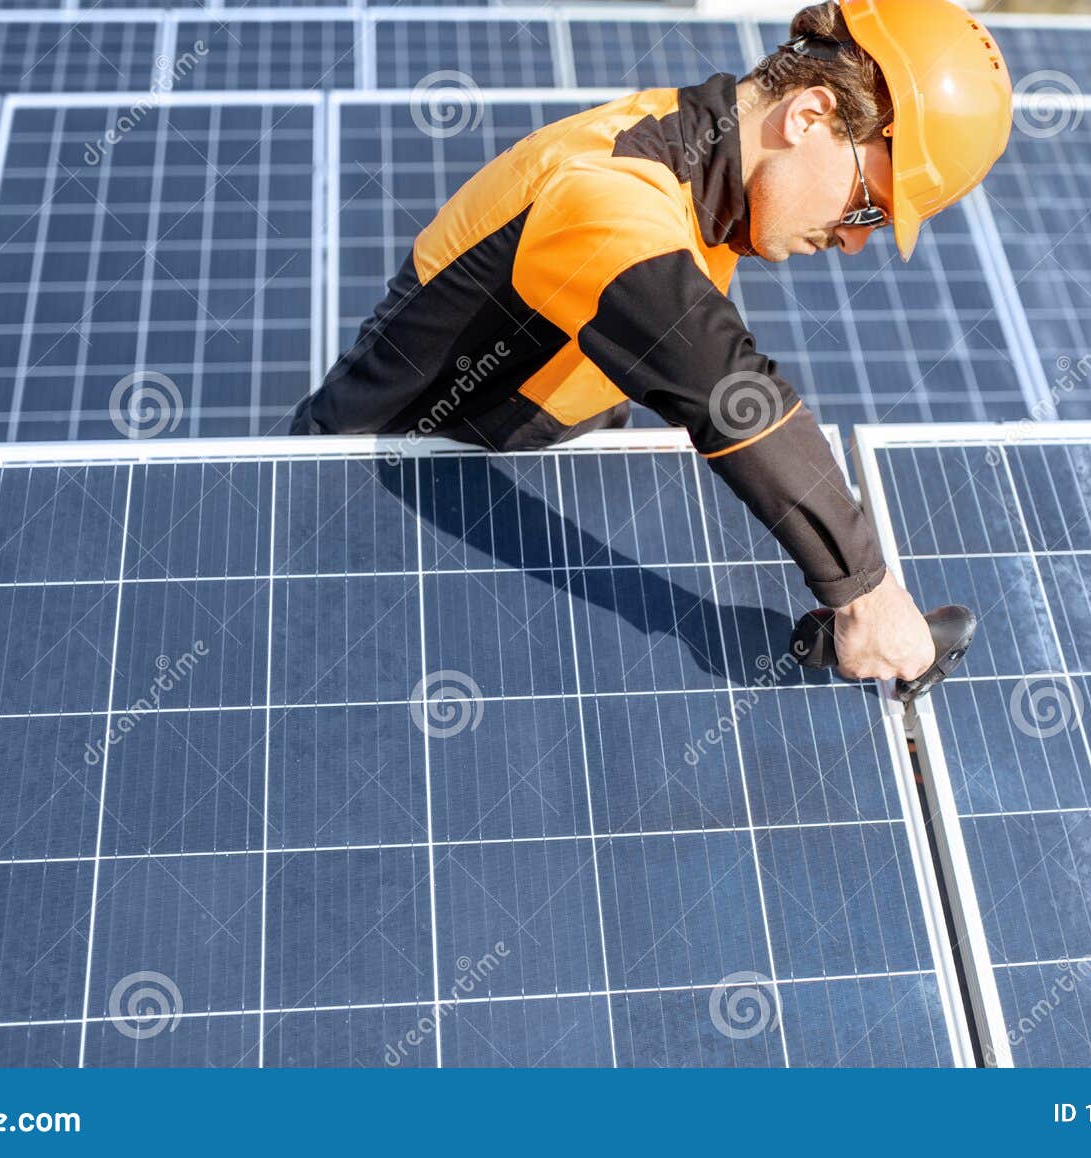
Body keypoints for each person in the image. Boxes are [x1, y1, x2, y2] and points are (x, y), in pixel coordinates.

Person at [292, 0, 1012, 681]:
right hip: (365, 519)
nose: (855, 243)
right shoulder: (607, 192)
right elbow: (720, 382)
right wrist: (865, 588)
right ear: (810, 113)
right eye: (867, 207)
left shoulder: (708, 173)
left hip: (492, 490)